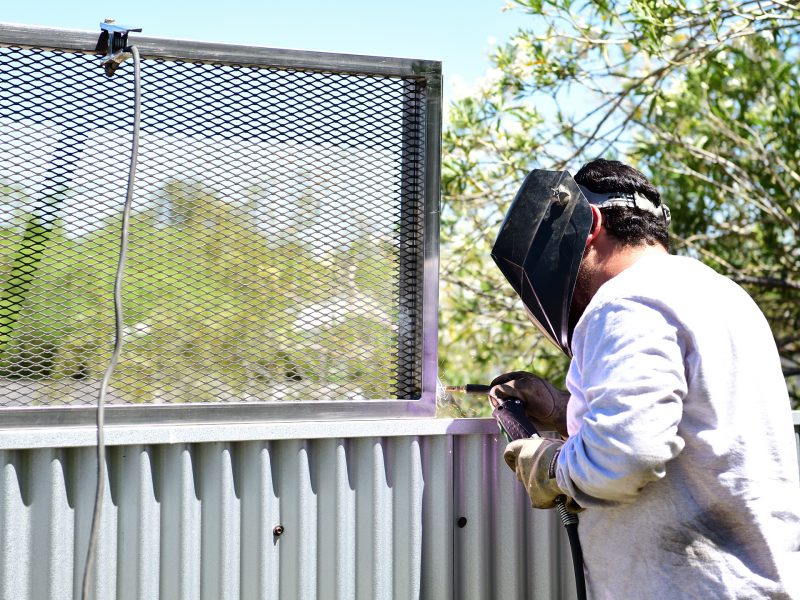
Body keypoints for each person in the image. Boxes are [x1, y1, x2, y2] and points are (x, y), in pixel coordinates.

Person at [489, 158, 800, 599]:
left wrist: (552, 466)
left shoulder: (625, 301)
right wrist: (564, 411)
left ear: (590, 224)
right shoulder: (720, 294)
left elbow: (626, 452)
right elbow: (692, 423)